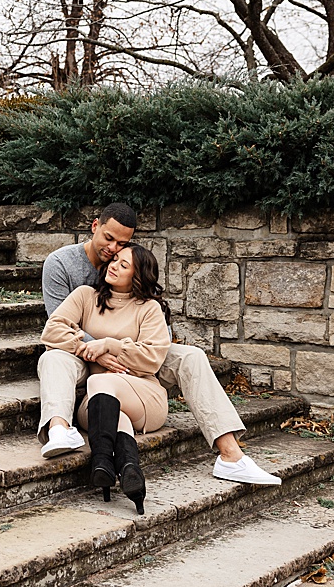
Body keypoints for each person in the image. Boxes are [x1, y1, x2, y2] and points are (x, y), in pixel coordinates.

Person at [37, 203, 280, 486]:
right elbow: (57, 324)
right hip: (81, 352)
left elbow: (154, 334)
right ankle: (59, 429)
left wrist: (112, 346)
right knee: (53, 356)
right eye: (109, 239)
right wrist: (98, 351)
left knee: (191, 356)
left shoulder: (133, 279)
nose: (114, 250)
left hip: (126, 350)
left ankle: (231, 455)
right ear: (95, 227)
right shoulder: (62, 265)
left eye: (122, 245)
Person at [41, 245, 170, 513]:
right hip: (98, 404)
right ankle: (128, 467)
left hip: (141, 394)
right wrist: (88, 350)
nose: (113, 266)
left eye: (124, 266)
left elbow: (152, 358)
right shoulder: (86, 296)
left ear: (138, 276)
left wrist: (110, 345)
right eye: (114, 260)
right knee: (106, 402)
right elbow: (52, 331)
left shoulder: (148, 309)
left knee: (101, 382)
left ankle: (101, 460)